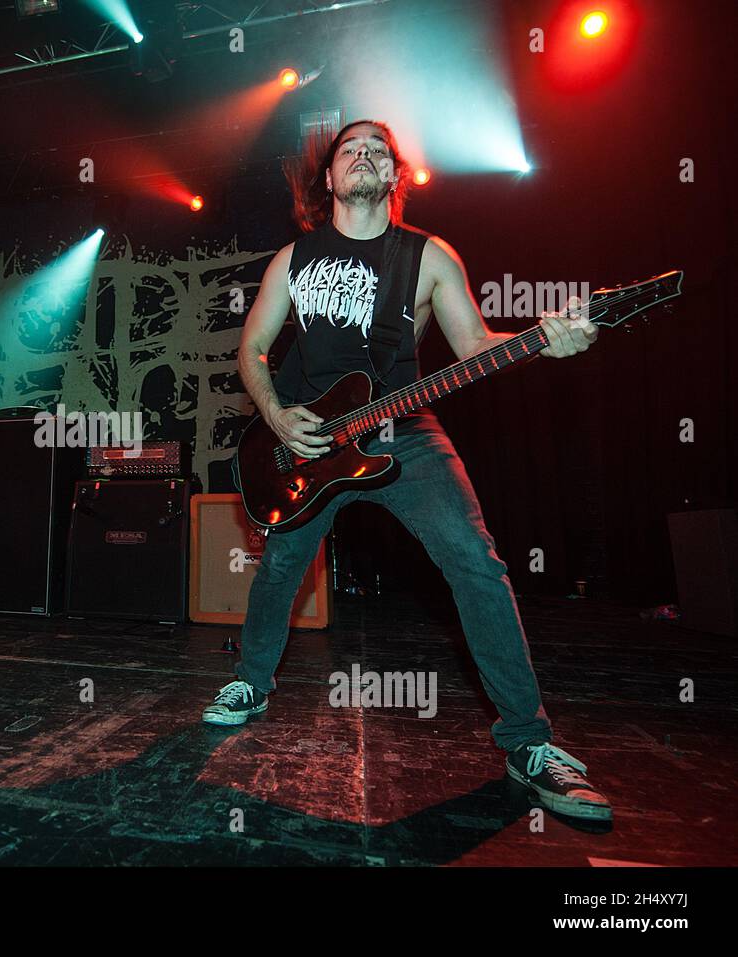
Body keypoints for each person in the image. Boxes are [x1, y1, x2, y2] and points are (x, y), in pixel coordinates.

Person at [200, 120, 610, 822]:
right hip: (307, 436)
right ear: (327, 180)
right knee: (280, 564)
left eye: (379, 151)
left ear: (395, 177)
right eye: (349, 149)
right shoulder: (294, 259)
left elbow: (477, 344)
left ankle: (529, 743)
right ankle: (251, 680)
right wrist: (273, 414)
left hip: (405, 430)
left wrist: (548, 340)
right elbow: (253, 348)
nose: (364, 154)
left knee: (476, 562)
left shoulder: (428, 257)